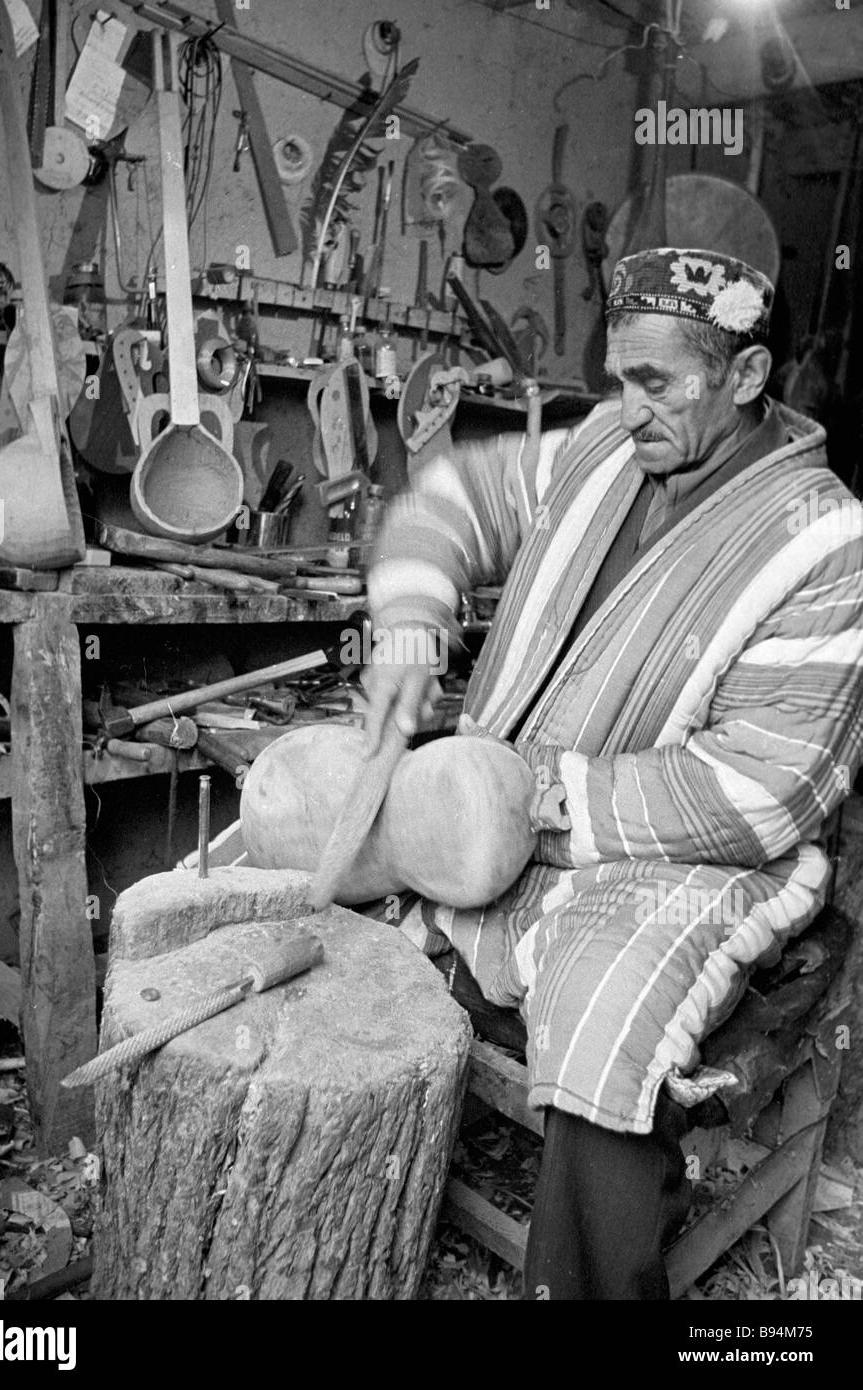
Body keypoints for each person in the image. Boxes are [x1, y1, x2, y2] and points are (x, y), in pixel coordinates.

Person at [364, 247, 863, 1299]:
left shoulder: (823, 538)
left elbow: (763, 788)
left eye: (654, 381)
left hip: (678, 851)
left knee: (607, 1004)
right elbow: (450, 495)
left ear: (744, 375)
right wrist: (410, 622)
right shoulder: (603, 441)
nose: (623, 406)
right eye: (615, 375)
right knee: (317, 826)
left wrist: (533, 801)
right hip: (493, 794)